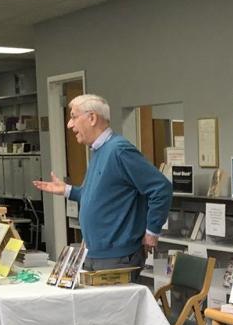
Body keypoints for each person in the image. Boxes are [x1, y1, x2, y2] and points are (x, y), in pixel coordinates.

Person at [32, 94, 171, 280]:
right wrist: (67, 190)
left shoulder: (119, 150)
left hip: (117, 256)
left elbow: (161, 188)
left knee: (113, 309)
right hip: (96, 253)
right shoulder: (98, 151)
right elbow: (101, 197)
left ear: (92, 118)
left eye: (73, 117)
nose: (69, 125)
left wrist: (152, 231)